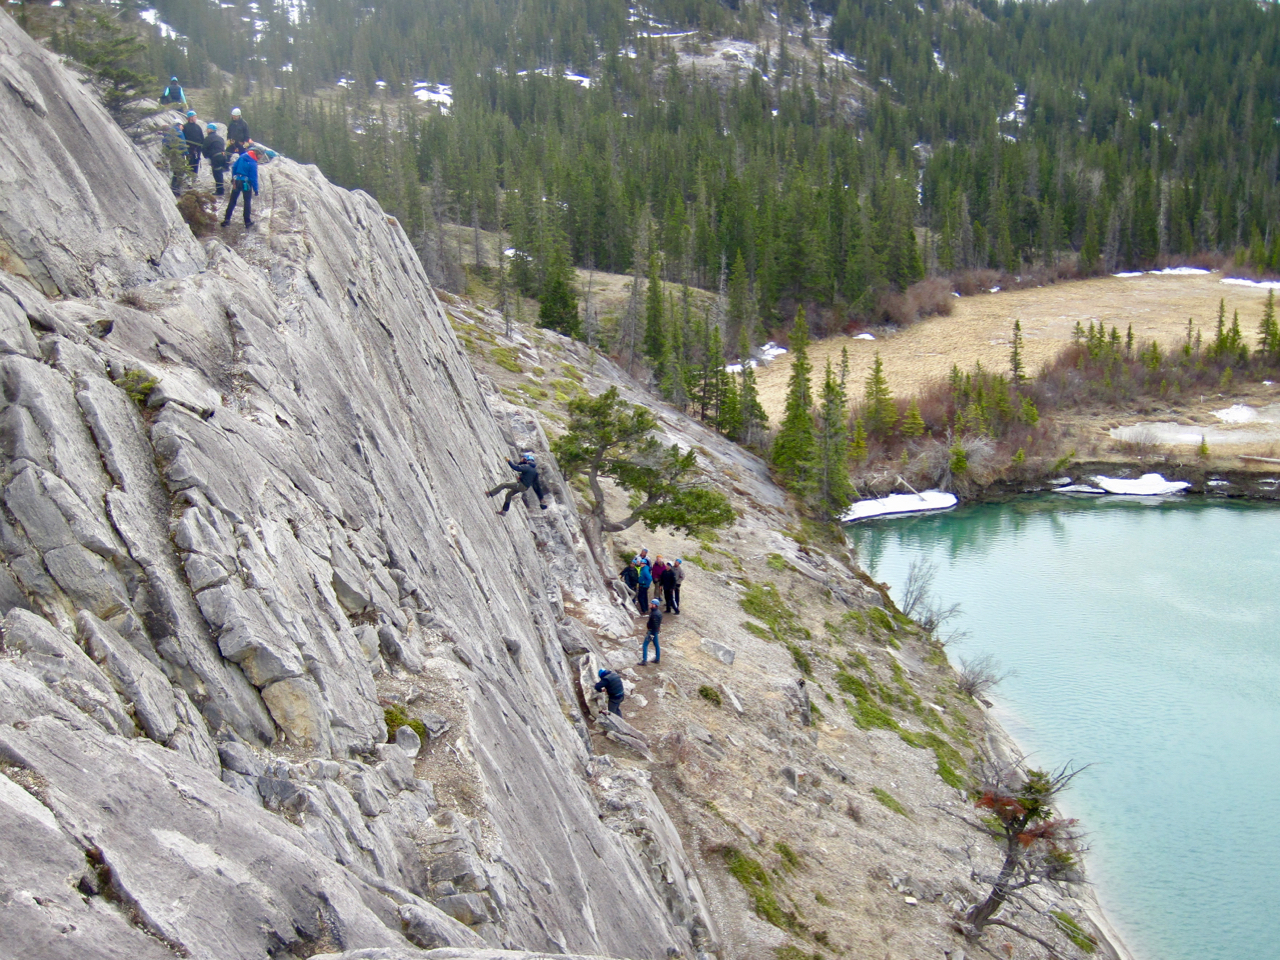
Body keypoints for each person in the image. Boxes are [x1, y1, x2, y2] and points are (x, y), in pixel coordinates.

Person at [221, 147, 259, 228]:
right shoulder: (253, 163)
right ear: (257, 154)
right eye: (261, 155)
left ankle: (226, 219)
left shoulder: (242, 157)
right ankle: (247, 222)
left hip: (237, 180)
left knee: (232, 200)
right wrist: (256, 189)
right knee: (247, 201)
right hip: (246, 183)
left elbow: (234, 167)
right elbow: (253, 177)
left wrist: (233, 177)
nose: (261, 157)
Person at [202, 122, 229, 195]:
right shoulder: (220, 138)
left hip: (215, 157)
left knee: (217, 174)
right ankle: (221, 189)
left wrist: (206, 156)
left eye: (208, 129)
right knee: (219, 172)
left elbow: (204, 149)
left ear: (210, 130)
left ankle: (220, 190)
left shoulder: (208, 138)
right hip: (223, 156)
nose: (207, 130)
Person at [181, 110, 204, 176]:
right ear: (190, 118)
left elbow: (201, 138)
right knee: (190, 163)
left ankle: (194, 176)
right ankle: (189, 177)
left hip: (197, 149)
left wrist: (201, 147)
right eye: (194, 117)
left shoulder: (198, 127)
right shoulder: (185, 127)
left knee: (196, 163)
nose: (196, 118)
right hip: (189, 149)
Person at [640, 599, 662, 665]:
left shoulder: (654, 614)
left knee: (645, 645)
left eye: (651, 603)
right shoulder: (658, 612)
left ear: (654, 605)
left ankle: (644, 660)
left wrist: (651, 633)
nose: (649, 604)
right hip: (655, 631)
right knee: (656, 645)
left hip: (652, 632)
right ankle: (657, 659)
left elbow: (654, 625)